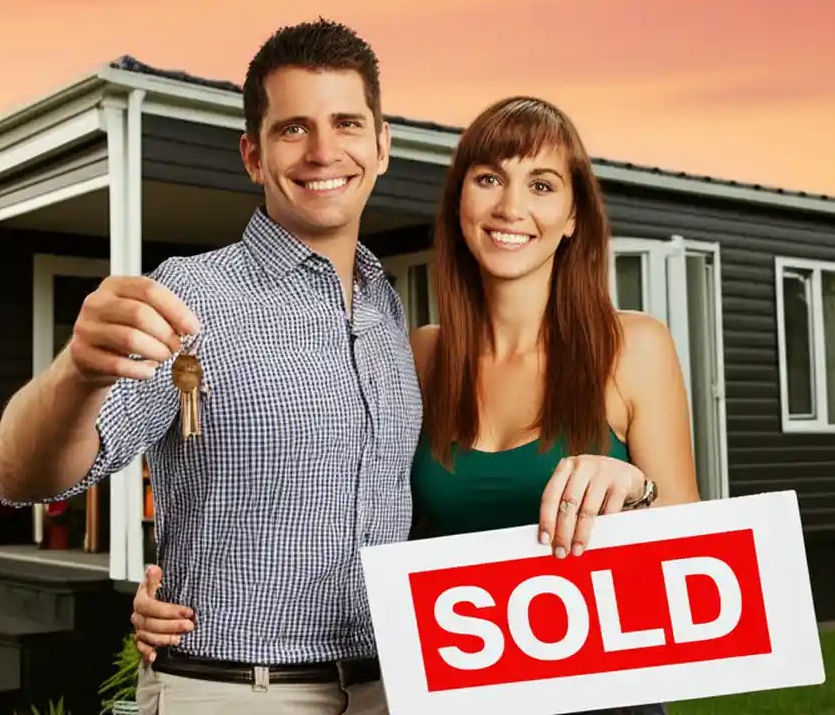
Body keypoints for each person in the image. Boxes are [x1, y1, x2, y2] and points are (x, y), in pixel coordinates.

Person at [133, 95, 700, 714]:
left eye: (541, 184)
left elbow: (697, 556)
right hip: (455, 697)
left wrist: (635, 488)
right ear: (461, 203)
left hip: (599, 698)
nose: (511, 207)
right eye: (489, 179)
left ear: (573, 217)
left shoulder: (634, 347)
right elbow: (355, 505)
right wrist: (187, 588)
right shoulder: (423, 355)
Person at [0, 17, 416, 715]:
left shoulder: (387, 311)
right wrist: (77, 374)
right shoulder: (189, 298)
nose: (324, 151)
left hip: (389, 687)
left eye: (347, 124)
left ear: (382, 144)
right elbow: (18, 476)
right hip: (238, 691)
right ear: (252, 155)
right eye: (293, 128)